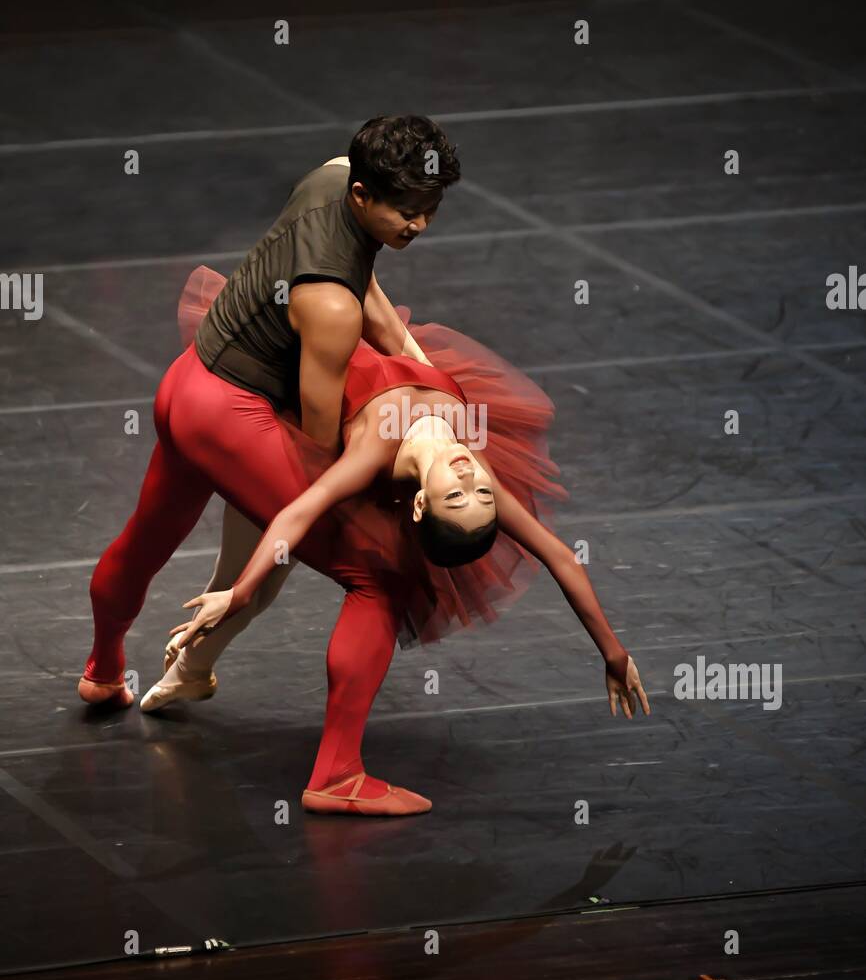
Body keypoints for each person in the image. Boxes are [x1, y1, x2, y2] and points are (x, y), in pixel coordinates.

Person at [149, 285, 649, 816]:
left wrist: (239, 594)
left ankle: (193, 665)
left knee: (266, 561)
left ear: (419, 506)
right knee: (265, 556)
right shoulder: (470, 452)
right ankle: (193, 670)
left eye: (456, 496)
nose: (469, 477)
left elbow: (298, 512)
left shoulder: (374, 450)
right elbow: (560, 556)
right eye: (480, 491)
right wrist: (614, 654)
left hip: (291, 394)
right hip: (353, 333)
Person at [78, 116, 460, 708]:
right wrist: (378, 469)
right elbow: (317, 443)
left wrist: (426, 378)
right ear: (363, 194)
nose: (419, 224)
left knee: (146, 539)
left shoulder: (333, 175)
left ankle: (103, 671)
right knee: (373, 574)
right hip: (234, 416)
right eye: (406, 210)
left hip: (189, 382)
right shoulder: (330, 306)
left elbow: (366, 285)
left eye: (430, 208)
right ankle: (336, 774)